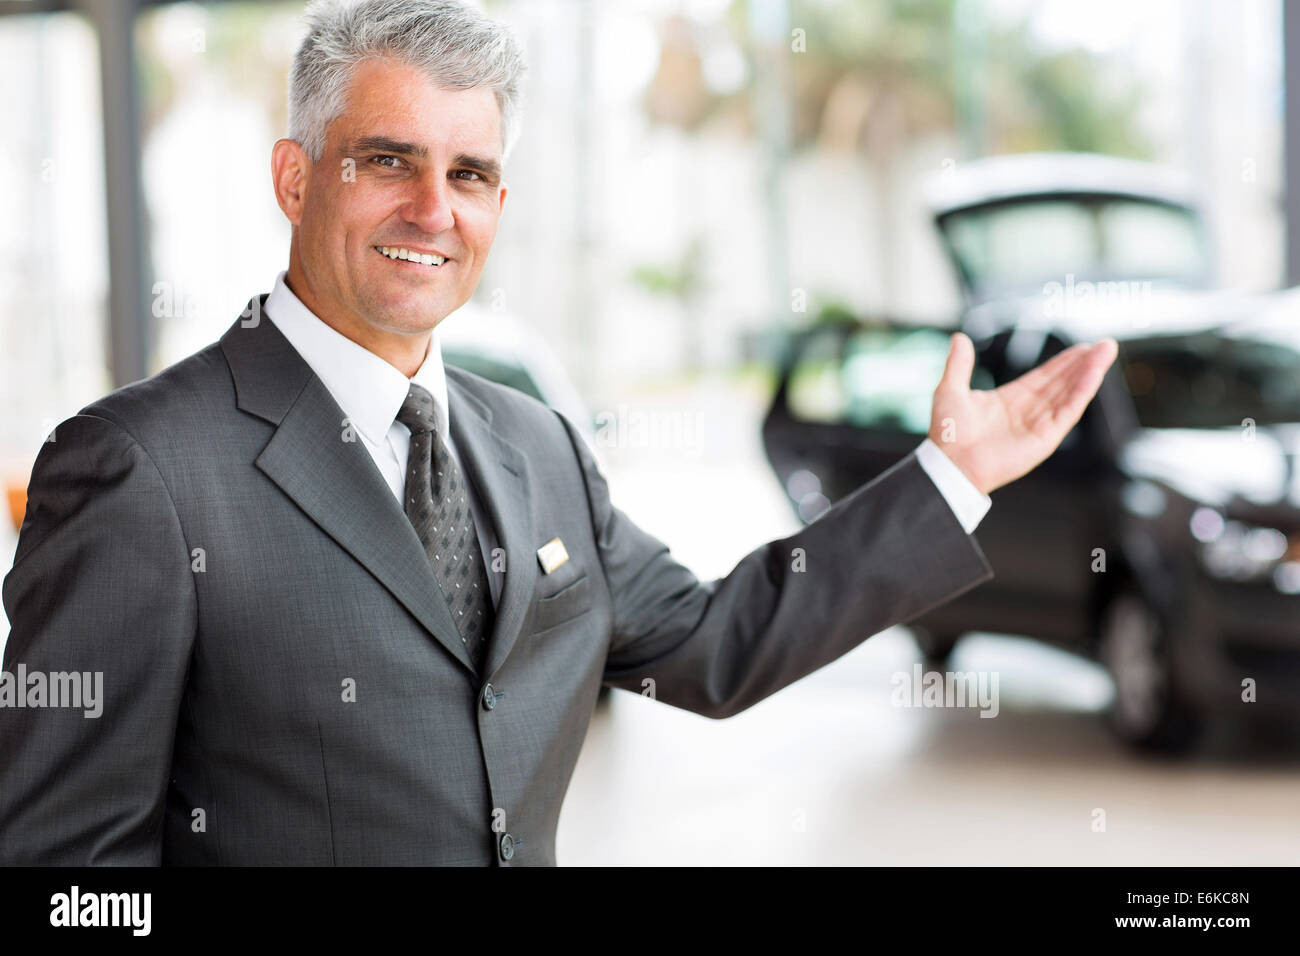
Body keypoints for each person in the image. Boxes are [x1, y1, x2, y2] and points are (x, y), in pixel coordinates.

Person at [0, 0, 1116, 865]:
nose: (433, 209)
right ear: (297, 177)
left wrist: (950, 475)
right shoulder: (140, 469)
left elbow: (715, 643)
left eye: (470, 173)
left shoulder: (534, 445)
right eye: (388, 159)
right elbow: (64, 870)